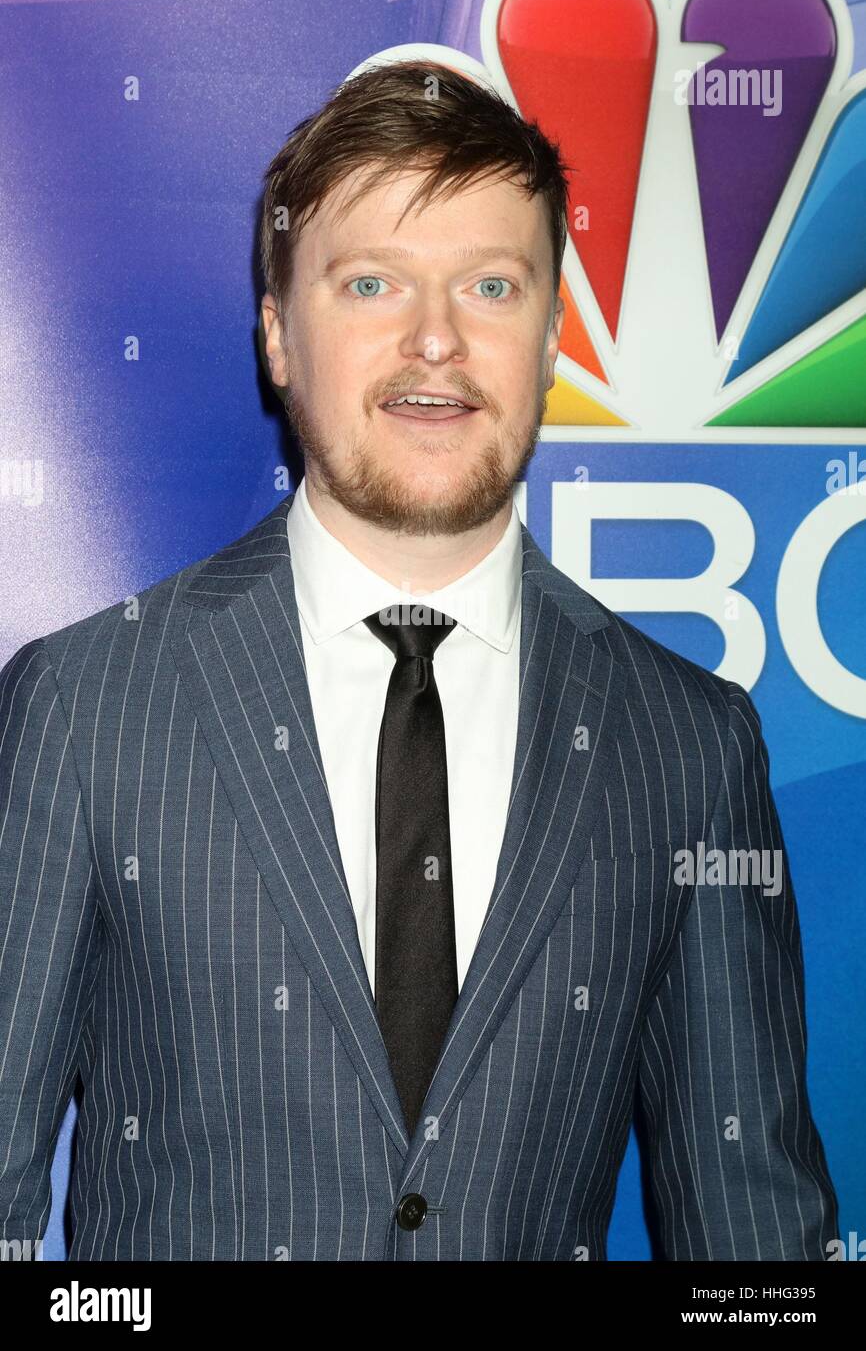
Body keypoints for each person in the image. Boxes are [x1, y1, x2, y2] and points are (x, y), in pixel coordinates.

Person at [0, 61, 838, 1261]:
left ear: (550, 335)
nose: (435, 338)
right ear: (279, 336)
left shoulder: (686, 740)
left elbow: (751, 1236)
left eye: (490, 285)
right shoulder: (85, 705)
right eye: (371, 282)